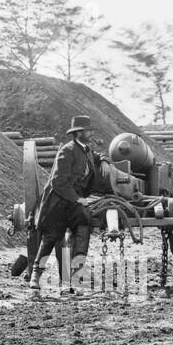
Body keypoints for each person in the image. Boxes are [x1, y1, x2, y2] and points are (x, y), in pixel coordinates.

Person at [28, 115, 106, 293]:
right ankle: (35, 275)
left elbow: (93, 157)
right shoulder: (67, 150)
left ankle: (77, 277)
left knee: (84, 225)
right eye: (88, 131)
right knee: (51, 238)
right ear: (78, 133)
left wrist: (103, 159)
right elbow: (58, 182)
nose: (91, 133)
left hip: (74, 203)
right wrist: (78, 199)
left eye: (91, 130)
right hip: (59, 201)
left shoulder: (86, 150)